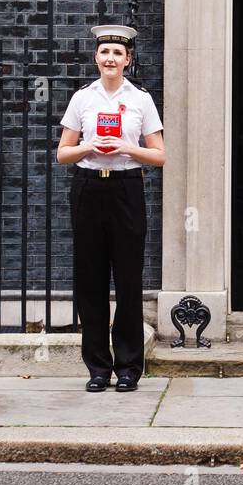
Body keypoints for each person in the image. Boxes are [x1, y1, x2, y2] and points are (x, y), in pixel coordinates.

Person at [57, 24, 165, 392]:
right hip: (88, 186)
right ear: (96, 57)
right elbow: (62, 153)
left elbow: (159, 155)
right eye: (105, 52)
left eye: (118, 53)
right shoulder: (82, 98)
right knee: (90, 280)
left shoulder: (141, 99)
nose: (110, 59)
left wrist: (125, 146)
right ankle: (98, 368)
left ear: (128, 59)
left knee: (129, 278)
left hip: (125, 188)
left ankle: (130, 366)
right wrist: (90, 146)